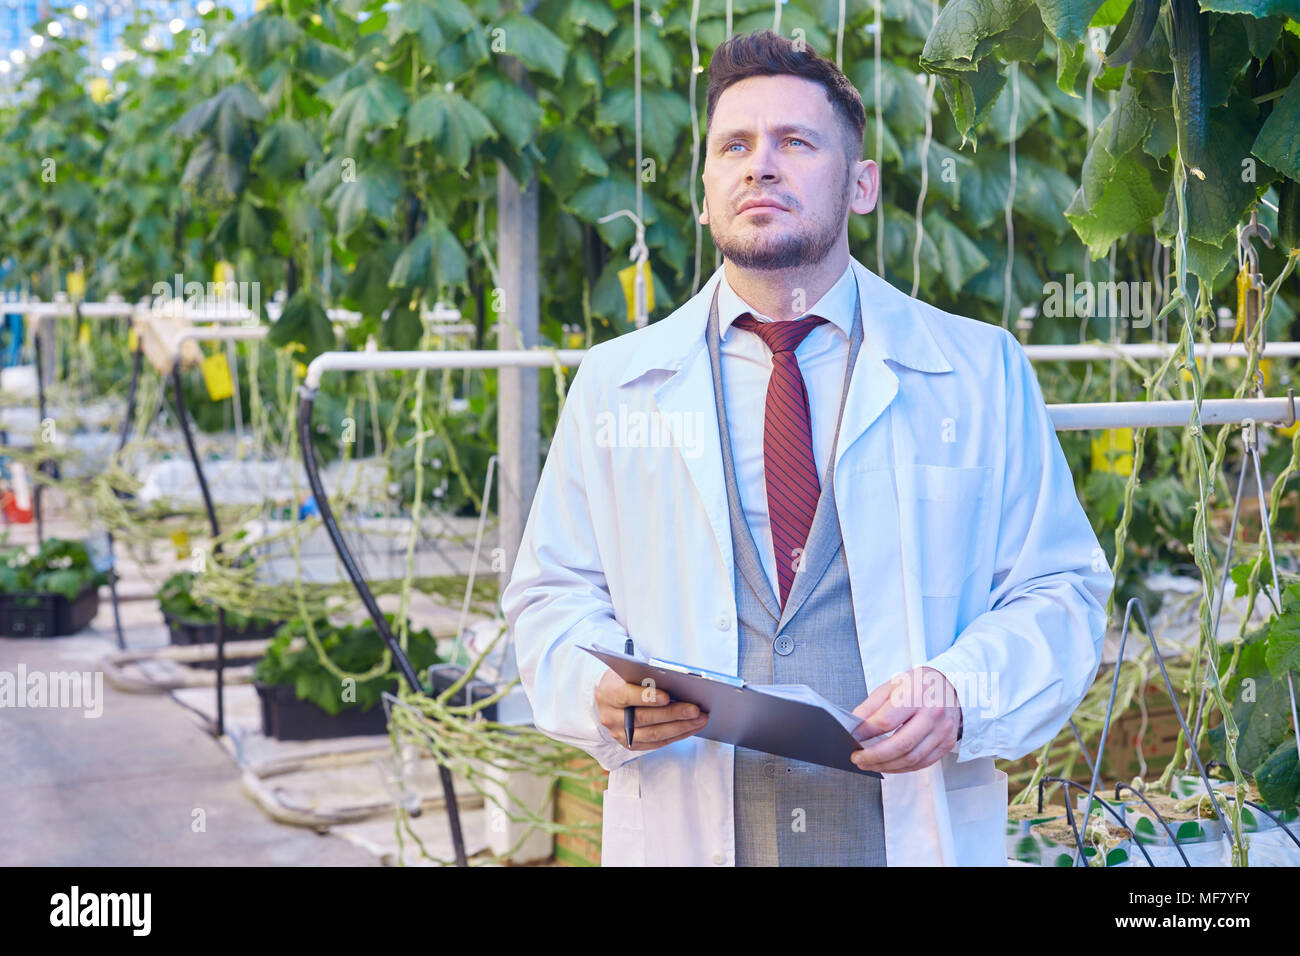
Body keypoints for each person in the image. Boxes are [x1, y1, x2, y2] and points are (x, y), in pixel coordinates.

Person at [502, 29, 1113, 866]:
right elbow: (551, 593)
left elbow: (1060, 588)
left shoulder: (977, 371)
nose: (761, 165)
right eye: (735, 146)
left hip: (902, 833)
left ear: (861, 185)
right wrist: (593, 691)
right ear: (706, 193)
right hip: (691, 821)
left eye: (796, 142)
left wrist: (963, 695)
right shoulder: (616, 384)